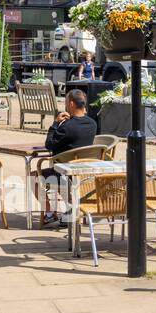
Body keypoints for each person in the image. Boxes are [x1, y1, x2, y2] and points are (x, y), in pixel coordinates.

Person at [40, 89, 99, 224]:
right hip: (85, 172)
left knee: (35, 176)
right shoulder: (93, 124)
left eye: (66, 102)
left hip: (67, 173)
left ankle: (50, 213)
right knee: (59, 176)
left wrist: (56, 123)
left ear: (71, 103)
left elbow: (49, 145)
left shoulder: (67, 127)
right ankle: (72, 208)